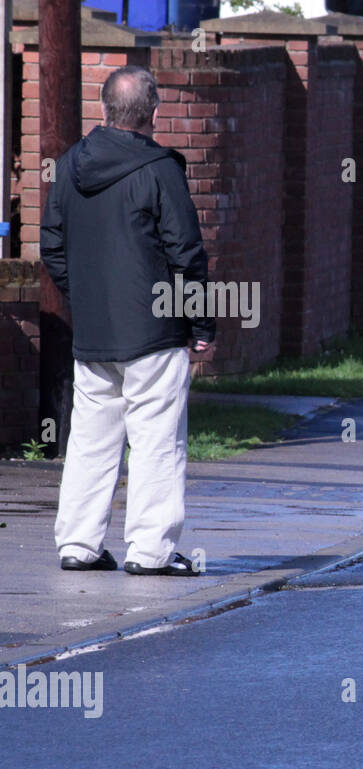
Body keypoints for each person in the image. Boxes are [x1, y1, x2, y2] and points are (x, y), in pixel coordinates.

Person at [40, 66, 210, 576]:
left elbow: (52, 246)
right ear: (155, 115)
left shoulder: (69, 166)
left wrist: (87, 300)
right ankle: (151, 551)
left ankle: (78, 544)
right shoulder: (161, 170)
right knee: (156, 441)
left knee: (90, 440)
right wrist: (201, 326)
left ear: (104, 108)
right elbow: (186, 255)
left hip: (94, 335)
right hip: (154, 332)